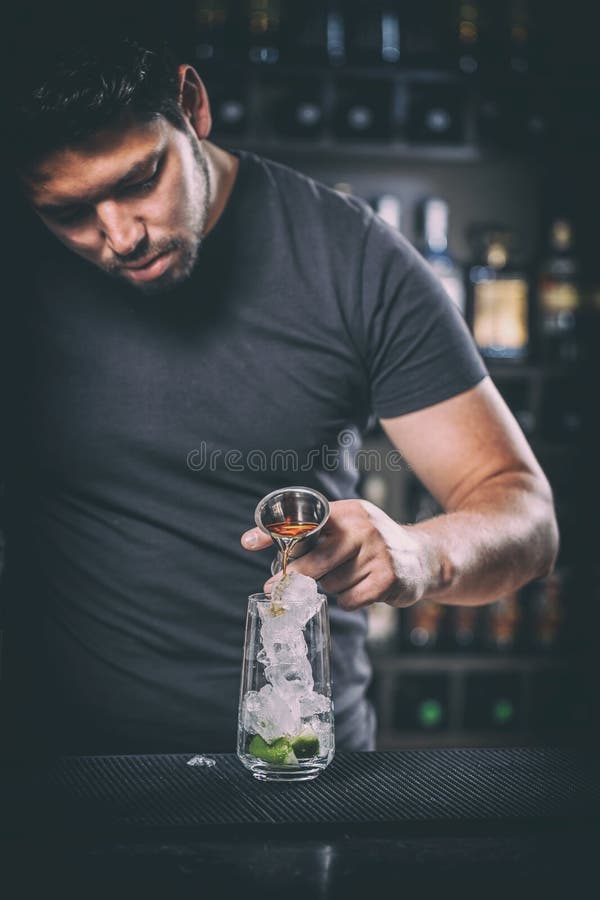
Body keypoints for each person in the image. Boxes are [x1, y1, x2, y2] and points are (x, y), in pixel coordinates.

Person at [0, 34, 558, 759]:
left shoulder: (355, 260)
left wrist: (419, 553)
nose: (120, 235)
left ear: (193, 106)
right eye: (68, 211)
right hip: (61, 781)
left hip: (294, 764)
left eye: (140, 180)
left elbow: (524, 514)